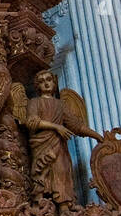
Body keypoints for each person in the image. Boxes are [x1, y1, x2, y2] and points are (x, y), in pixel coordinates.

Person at [23, 70, 100, 208]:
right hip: (42, 144)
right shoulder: (34, 102)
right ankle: (41, 207)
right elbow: (31, 121)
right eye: (42, 81)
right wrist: (56, 127)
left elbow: (76, 126)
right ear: (37, 86)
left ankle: (64, 208)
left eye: (49, 80)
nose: (46, 83)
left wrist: (98, 137)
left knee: (62, 172)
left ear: (54, 82)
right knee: (41, 173)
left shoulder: (61, 105)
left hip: (59, 146)